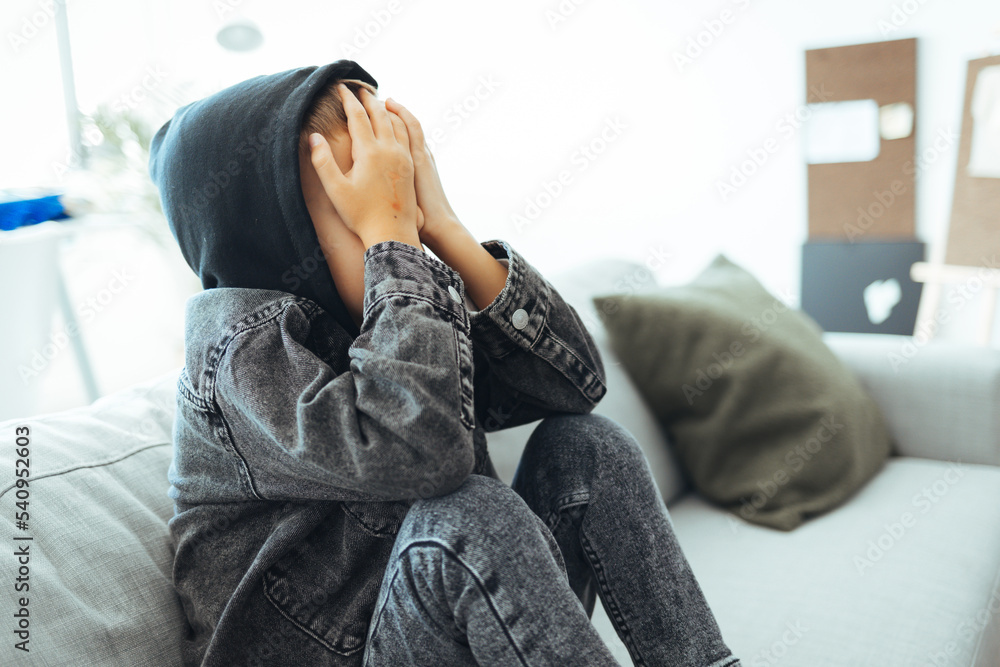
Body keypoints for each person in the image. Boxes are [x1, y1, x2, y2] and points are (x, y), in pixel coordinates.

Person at [149, 58, 742, 667]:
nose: (393, 226)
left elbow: (576, 386)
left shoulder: (402, 314)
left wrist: (446, 229)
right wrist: (394, 245)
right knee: (472, 514)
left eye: (398, 195)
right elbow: (422, 455)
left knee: (590, 448)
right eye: (365, 210)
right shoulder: (237, 356)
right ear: (272, 239)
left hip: (434, 633)